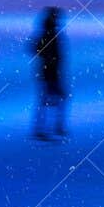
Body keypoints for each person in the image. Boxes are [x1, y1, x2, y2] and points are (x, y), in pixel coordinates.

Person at [31, 8, 67, 140]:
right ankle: (47, 128)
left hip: (49, 71)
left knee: (50, 99)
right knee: (53, 98)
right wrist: (50, 59)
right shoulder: (50, 34)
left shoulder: (49, 33)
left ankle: (48, 127)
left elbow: (35, 49)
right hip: (49, 71)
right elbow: (35, 49)